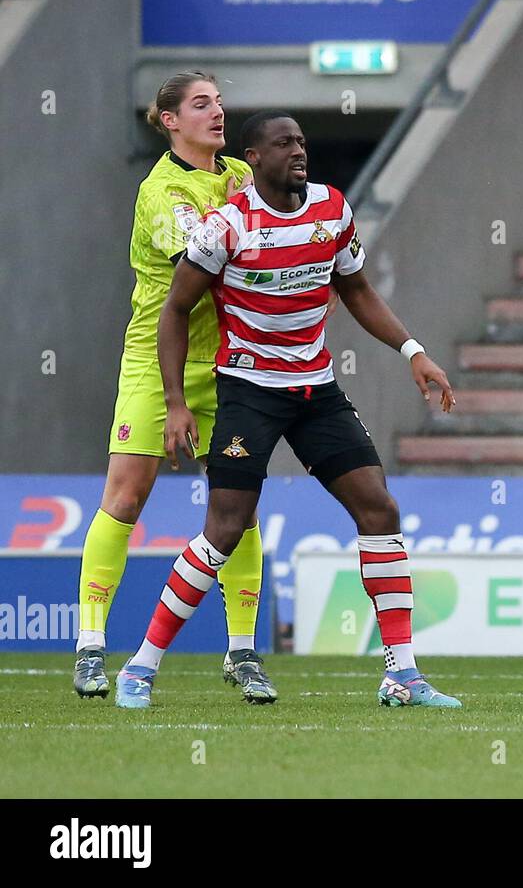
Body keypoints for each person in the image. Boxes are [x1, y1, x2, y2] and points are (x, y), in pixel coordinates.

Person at [114, 110, 461, 710]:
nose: (299, 151)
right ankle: (140, 667)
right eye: (284, 144)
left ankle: (402, 675)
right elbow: (175, 310)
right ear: (253, 158)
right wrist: (175, 402)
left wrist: (414, 351)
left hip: (315, 391)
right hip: (248, 393)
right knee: (223, 530)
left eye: (302, 141)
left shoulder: (331, 209)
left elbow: (356, 289)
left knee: (379, 511)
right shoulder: (227, 226)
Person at [74, 72, 273, 702]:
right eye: (201, 104)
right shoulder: (161, 191)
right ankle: (89, 647)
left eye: (219, 102)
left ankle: (241, 652)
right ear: (169, 120)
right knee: (126, 496)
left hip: (230, 364)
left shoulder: (241, 175)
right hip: (158, 362)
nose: (217, 113)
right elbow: (204, 258)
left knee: (237, 508)